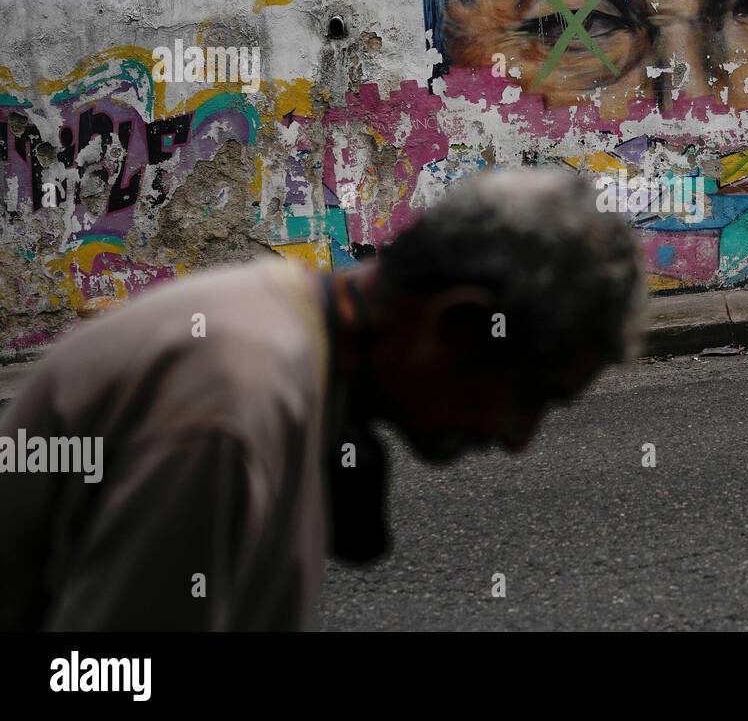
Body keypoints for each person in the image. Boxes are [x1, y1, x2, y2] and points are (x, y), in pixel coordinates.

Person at [0, 168, 644, 630]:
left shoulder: (296, 323)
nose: (518, 438)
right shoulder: (233, 408)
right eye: (532, 397)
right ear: (457, 327)